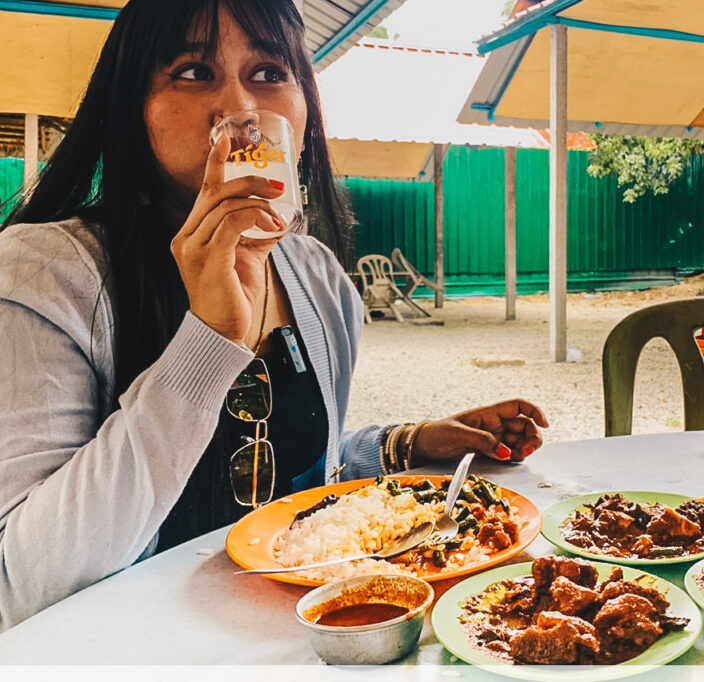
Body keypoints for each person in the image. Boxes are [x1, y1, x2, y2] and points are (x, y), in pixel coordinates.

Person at [0, 0, 547, 631]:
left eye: (268, 73)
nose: (239, 109)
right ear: (132, 109)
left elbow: (293, 478)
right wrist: (207, 343)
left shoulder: (318, 278)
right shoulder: (44, 277)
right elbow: (24, 582)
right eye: (191, 73)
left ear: (305, 106)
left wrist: (404, 444)